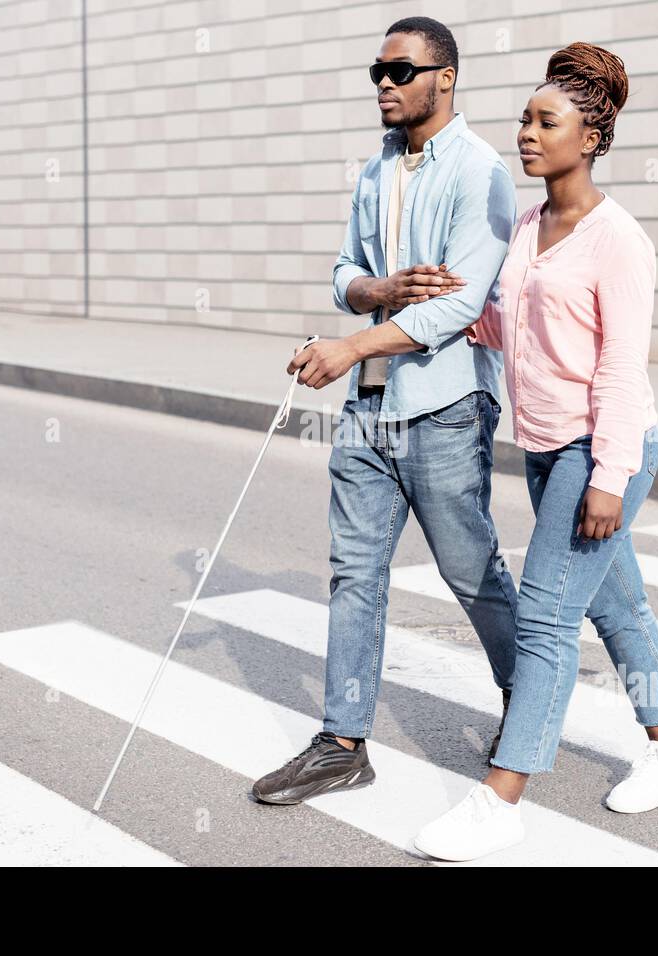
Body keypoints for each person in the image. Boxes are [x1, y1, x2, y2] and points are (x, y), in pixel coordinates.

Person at [413, 41, 658, 861]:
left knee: (544, 612)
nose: (528, 133)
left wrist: (608, 478)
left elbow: (618, 367)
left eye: (548, 121)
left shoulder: (619, 241)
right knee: (619, 607)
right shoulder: (531, 225)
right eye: (526, 119)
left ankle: (502, 800)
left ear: (592, 137)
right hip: (543, 448)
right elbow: (521, 329)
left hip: (601, 449)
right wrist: (463, 308)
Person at [250, 16, 522, 805]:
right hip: (370, 413)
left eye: (400, 71)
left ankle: (525, 698)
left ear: (446, 77)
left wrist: (351, 347)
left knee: (471, 572)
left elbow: (458, 304)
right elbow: (347, 274)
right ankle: (342, 743)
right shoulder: (375, 171)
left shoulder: (481, 173)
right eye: (377, 71)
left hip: (443, 405)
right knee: (353, 574)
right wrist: (379, 291)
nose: (385, 84)